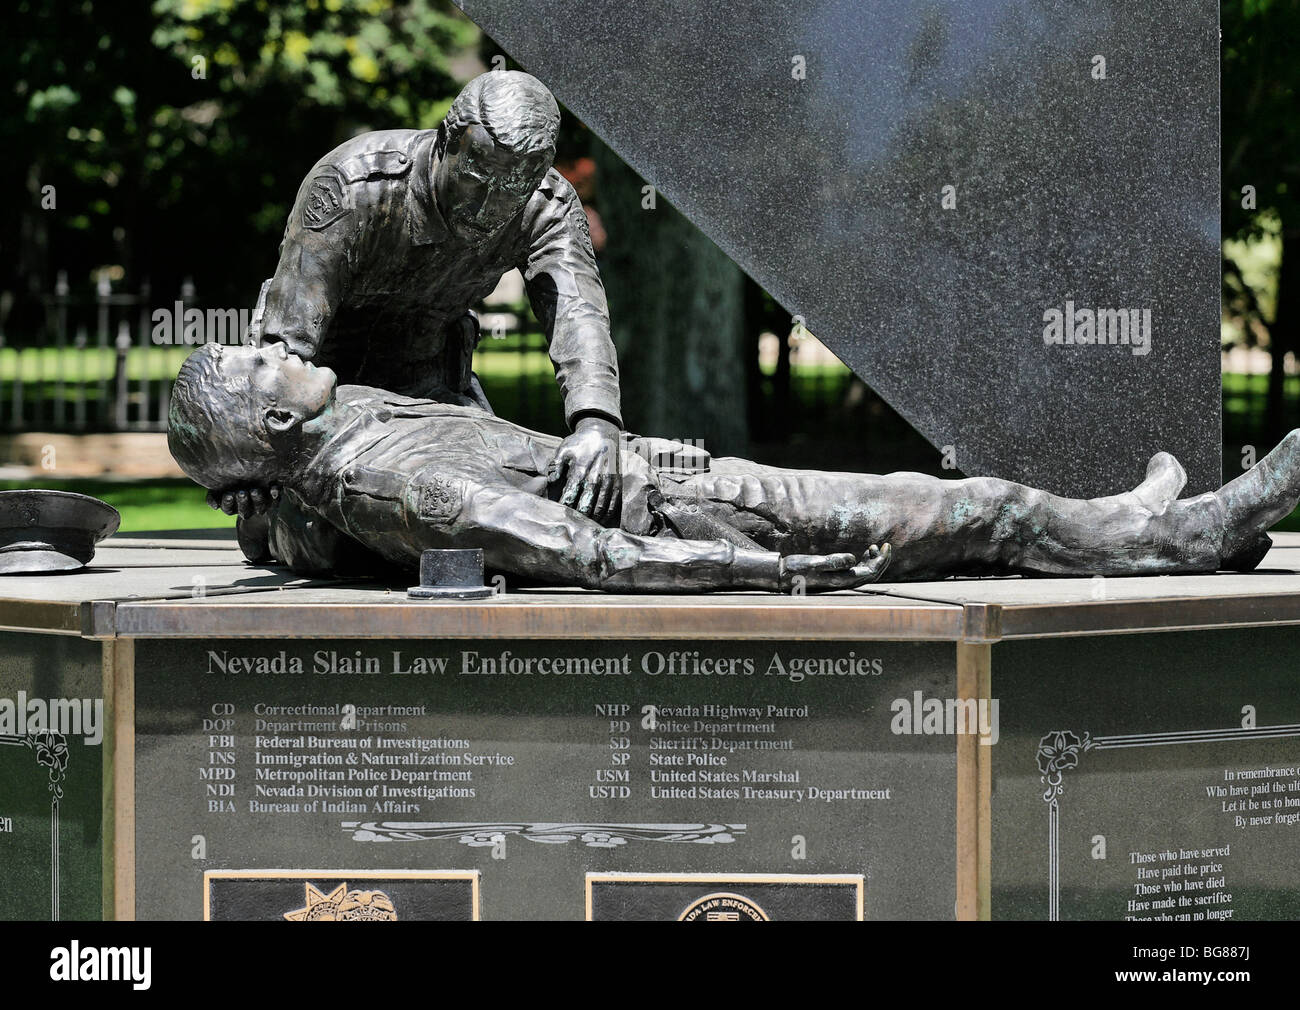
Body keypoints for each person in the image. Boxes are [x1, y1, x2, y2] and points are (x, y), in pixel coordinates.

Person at [167, 342, 1298, 592]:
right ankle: (1179, 536)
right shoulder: (394, 484)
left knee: (971, 508)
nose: (289, 346)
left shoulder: (341, 434)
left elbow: (278, 516)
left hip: (683, 477)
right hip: (720, 520)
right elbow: (591, 554)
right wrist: (759, 572)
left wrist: (259, 518)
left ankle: (1127, 524)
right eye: (270, 360)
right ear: (273, 423)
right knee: (980, 510)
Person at [212, 70, 623, 531]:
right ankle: (275, 525)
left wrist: (596, 424)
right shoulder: (352, 187)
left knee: (500, 511)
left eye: (511, 191)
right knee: (339, 538)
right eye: (475, 176)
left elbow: (576, 309)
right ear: (447, 139)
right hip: (330, 404)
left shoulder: (546, 204)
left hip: (437, 394)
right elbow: (283, 351)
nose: (488, 206)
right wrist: (255, 455)